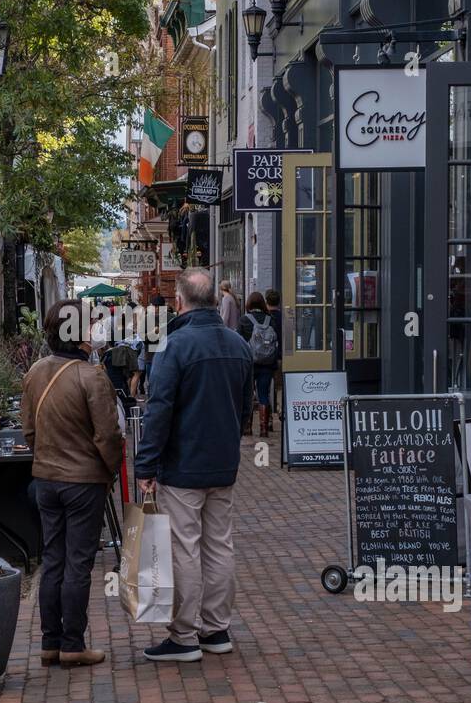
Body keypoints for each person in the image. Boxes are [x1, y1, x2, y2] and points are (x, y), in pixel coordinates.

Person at [135, 268, 253, 663]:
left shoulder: (175, 344)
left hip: (183, 464)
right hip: (223, 462)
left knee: (184, 547)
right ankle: (216, 628)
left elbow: (159, 409)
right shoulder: (238, 345)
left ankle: (184, 636)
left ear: (179, 301)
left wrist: (146, 465)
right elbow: (246, 406)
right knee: (219, 544)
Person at [21, 299, 123, 669]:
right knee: (78, 562)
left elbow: (29, 430)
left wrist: (45, 457)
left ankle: (50, 643)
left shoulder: (34, 372)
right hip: (84, 481)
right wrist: (111, 470)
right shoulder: (91, 375)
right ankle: (72, 644)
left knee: (53, 559)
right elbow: (107, 435)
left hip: (46, 479)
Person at [238, 291, 279, 439]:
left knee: (248, 394)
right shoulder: (270, 319)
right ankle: (263, 429)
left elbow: (239, 341)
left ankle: (247, 428)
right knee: (263, 394)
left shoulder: (244, 320)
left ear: (249, 304)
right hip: (267, 364)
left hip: (249, 363)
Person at [265, 288, 283, 428]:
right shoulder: (284, 317)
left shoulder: (266, 319)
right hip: (280, 356)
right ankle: (282, 411)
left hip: (266, 357)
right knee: (280, 386)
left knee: (266, 388)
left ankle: (269, 417)